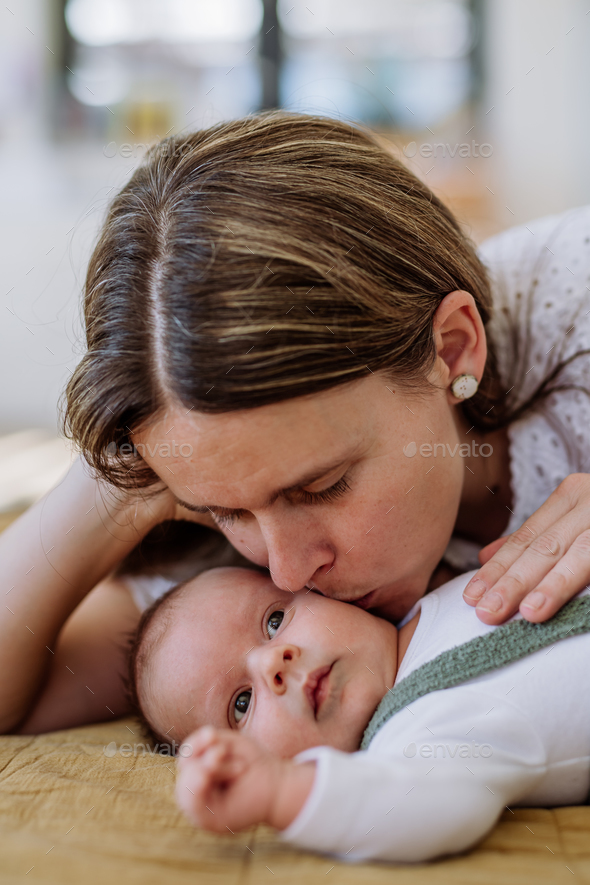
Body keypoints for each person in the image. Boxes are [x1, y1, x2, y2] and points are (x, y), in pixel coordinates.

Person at [1, 110, 590, 736]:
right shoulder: (251, 580)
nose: (287, 572)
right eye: (227, 512)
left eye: (322, 486)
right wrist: (122, 485)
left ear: (449, 349)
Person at [123, 564, 590, 864]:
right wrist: (279, 794)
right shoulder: (407, 743)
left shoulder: (447, 589)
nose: (273, 662)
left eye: (273, 620)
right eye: (241, 704)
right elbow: (428, 810)